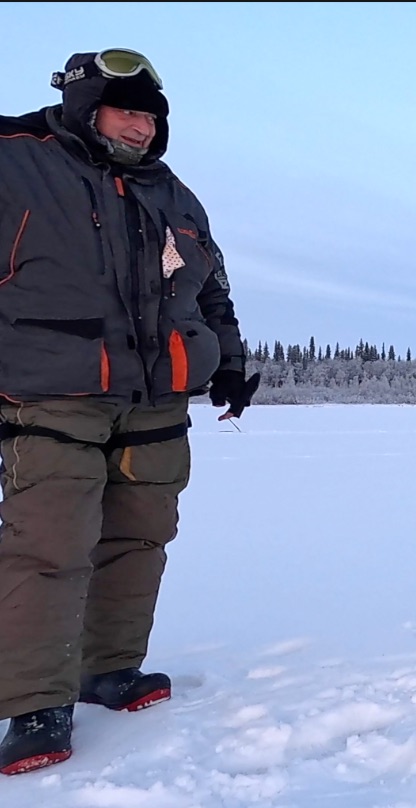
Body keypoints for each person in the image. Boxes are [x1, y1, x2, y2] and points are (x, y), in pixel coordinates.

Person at [0, 48, 260, 776]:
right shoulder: (16, 159)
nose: (142, 128)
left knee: (139, 537)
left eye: (151, 117)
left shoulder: (173, 194)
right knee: (48, 544)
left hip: (156, 397)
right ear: (87, 107)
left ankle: (109, 667)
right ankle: (35, 704)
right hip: (53, 391)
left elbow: (212, 291)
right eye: (127, 112)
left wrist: (229, 362)